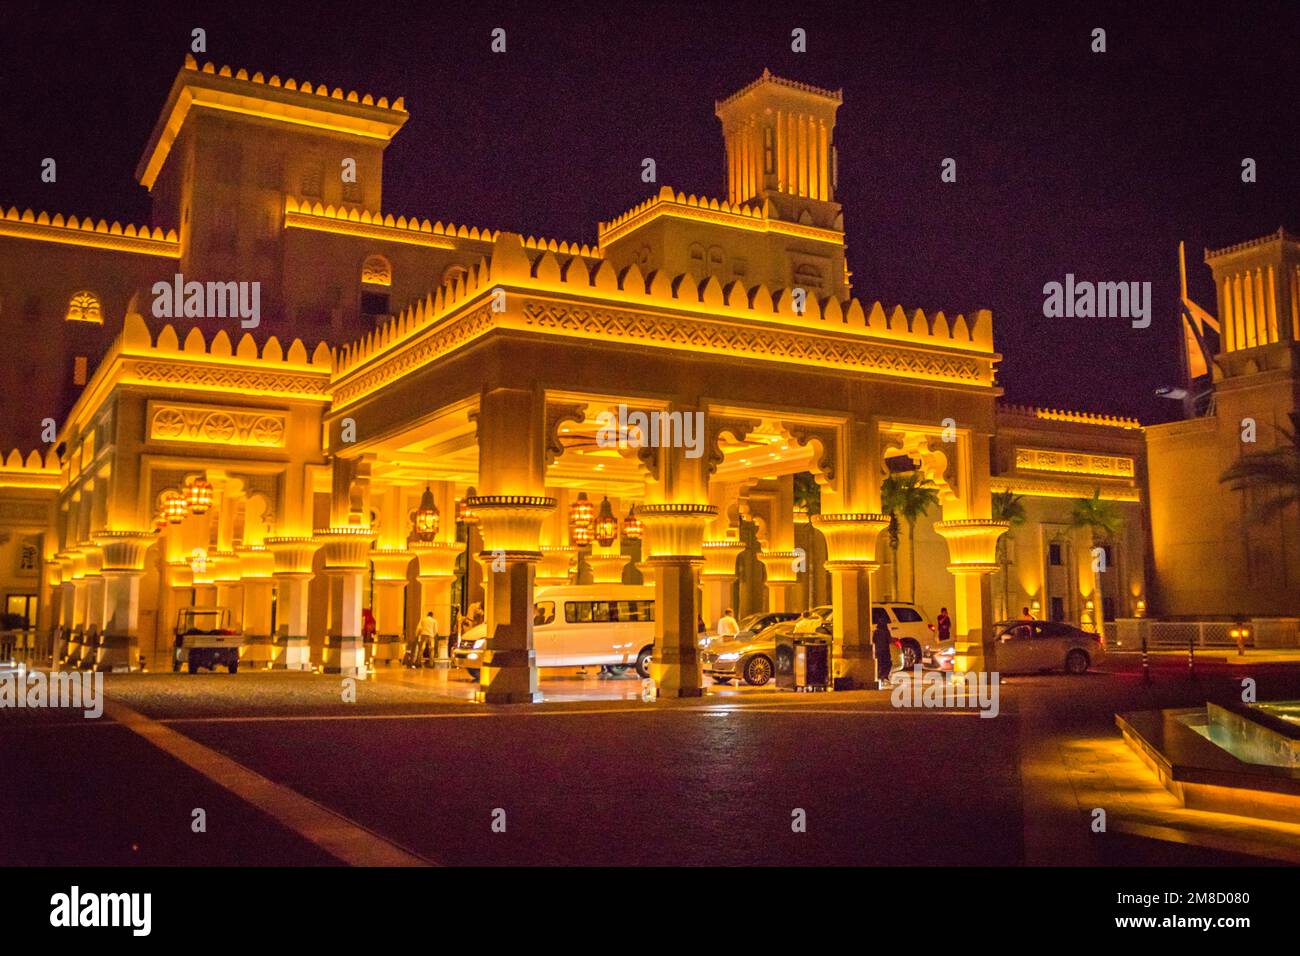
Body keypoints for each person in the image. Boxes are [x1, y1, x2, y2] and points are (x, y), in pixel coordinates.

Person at [871, 617, 893, 689]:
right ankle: (884, 675)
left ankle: (880, 676)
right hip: (885, 650)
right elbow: (889, 640)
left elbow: (873, 640)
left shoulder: (876, 632)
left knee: (879, 664)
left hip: (878, 650)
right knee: (888, 663)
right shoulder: (886, 631)